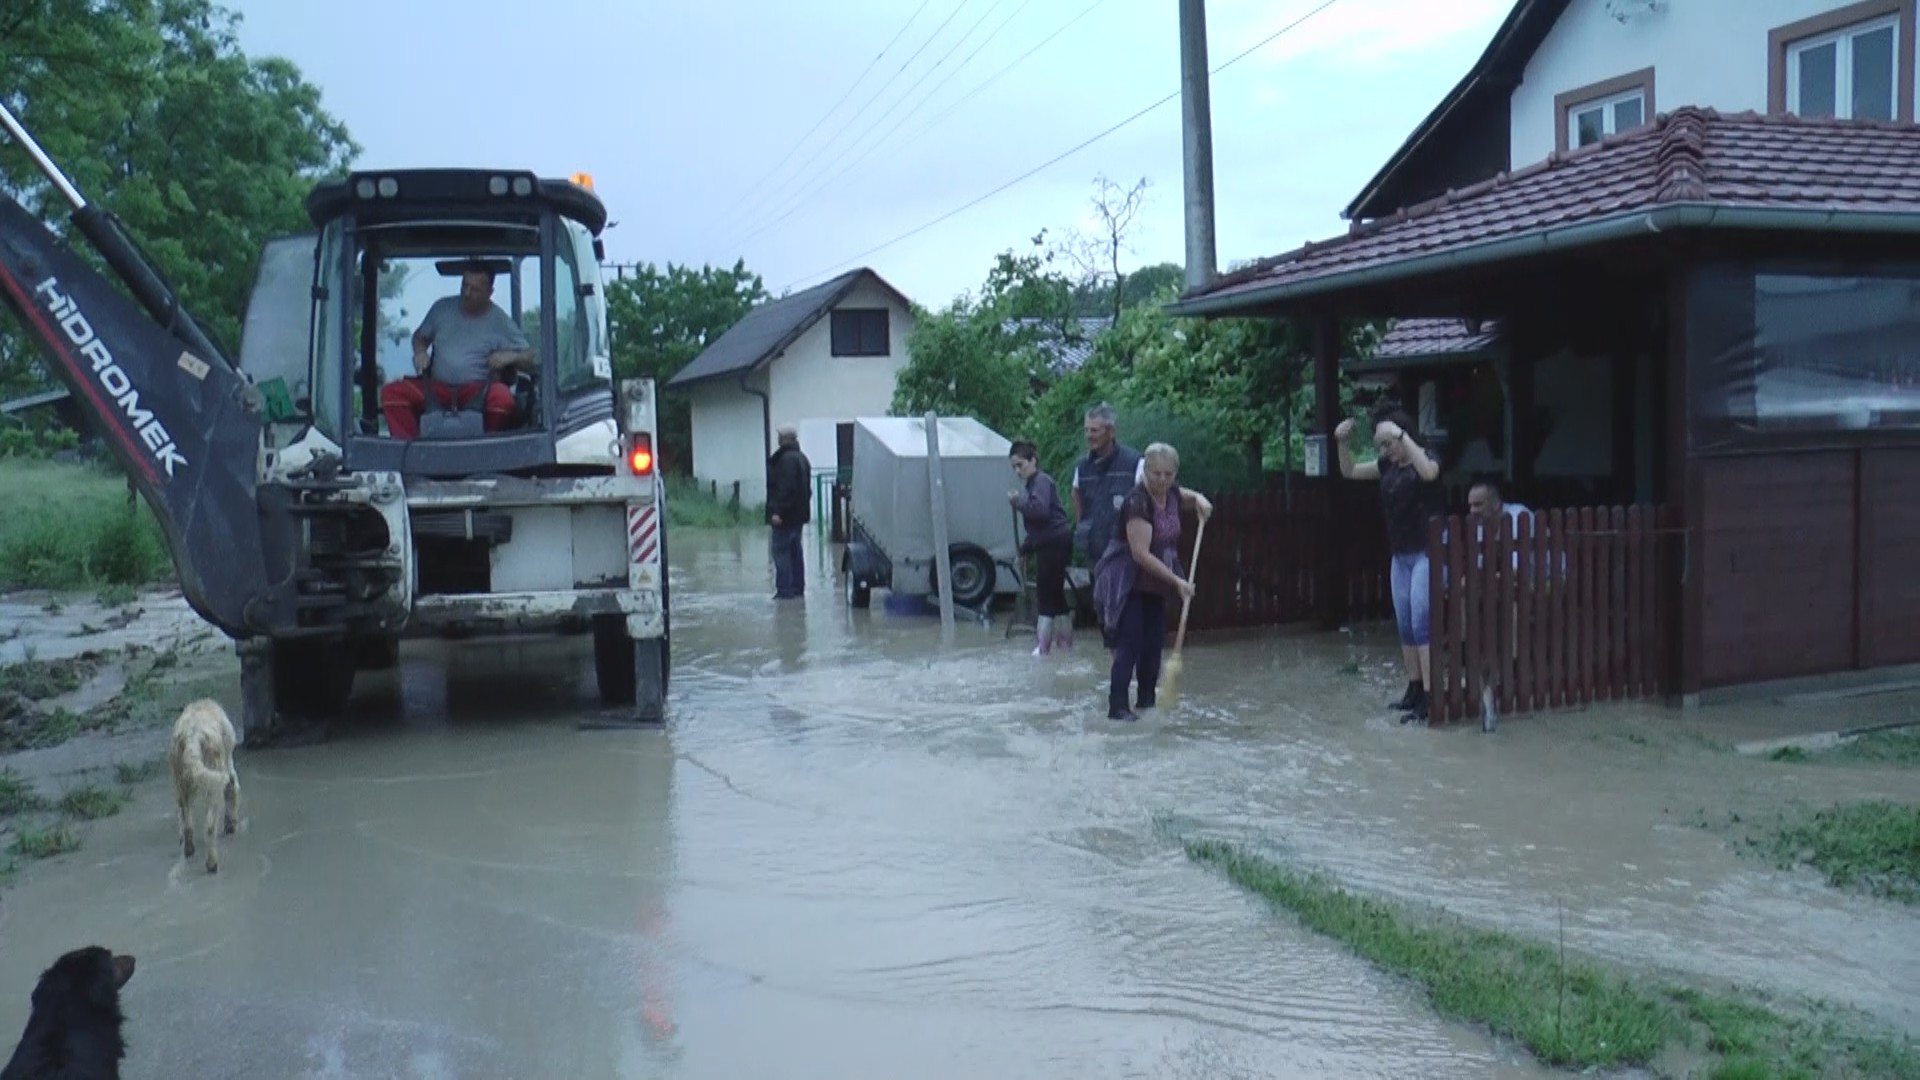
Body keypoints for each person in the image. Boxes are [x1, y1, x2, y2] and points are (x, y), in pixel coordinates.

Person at [1091, 442, 1212, 721]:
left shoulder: (1170, 492)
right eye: (1156, 473)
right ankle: (1118, 708)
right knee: (1129, 644)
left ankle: (1147, 703)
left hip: (1155, 582)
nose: (1162, 480)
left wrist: (1199, 499)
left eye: (1168, 474)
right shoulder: (1138, 502)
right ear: (1145, 471)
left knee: (1153, 646)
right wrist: (1177, 581)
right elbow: (1140, 554)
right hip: (1128, 581)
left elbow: (1183, 494)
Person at [1336, 405, 1442, 723]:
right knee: (1405, 623)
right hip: (1400, 554)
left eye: (1388, 444)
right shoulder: (1387, 465)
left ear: (1401, 435)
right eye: (1381, 445)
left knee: (1422, 622)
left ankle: (1431, 696)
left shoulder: (1427, 456)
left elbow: (1429, 473)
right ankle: (1414, 688)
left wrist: (1401, 436)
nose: (1385, 451)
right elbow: (1350, 471)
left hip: (1426, 551)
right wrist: (1342, 442)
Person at [379, 264, 536, 440]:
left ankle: (487, 446)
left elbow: (531, 356)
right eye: (464, 285)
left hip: (478, 391)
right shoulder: (441, 308)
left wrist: (510, 357)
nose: (467, 293)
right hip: (436, 389)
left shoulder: (500, 321)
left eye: (474, 289)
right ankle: (411, 448)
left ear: (489, 292)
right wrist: (420, 352)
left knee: (503, 400)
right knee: (391, 394)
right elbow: (420, 337)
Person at [1008, 440, 1074, 656]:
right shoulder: (1034, 484)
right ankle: (1065, 645)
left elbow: (1040, 512)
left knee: (1046, 594)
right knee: (1056, 596)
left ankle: (1043, 648)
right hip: (1054, 542)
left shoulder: (1041, 482)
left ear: (1033, 461)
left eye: (1020, 465)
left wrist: (1018, 502)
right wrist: (1025, 550)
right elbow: (1038, 528)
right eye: (1014, 467)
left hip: (1054, 543)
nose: (1017, 471)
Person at [766, 424, 812, 601]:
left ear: (786, 439)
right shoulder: (802, 458)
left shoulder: (785, 460)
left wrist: (778, 512)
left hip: (785, 518)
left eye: (780, 436)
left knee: (781, 553)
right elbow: (807, 491)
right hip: (798, 517)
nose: (778, 438)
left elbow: (786, 489)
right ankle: (798, 589)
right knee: (795, 552)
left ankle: (785, 591)